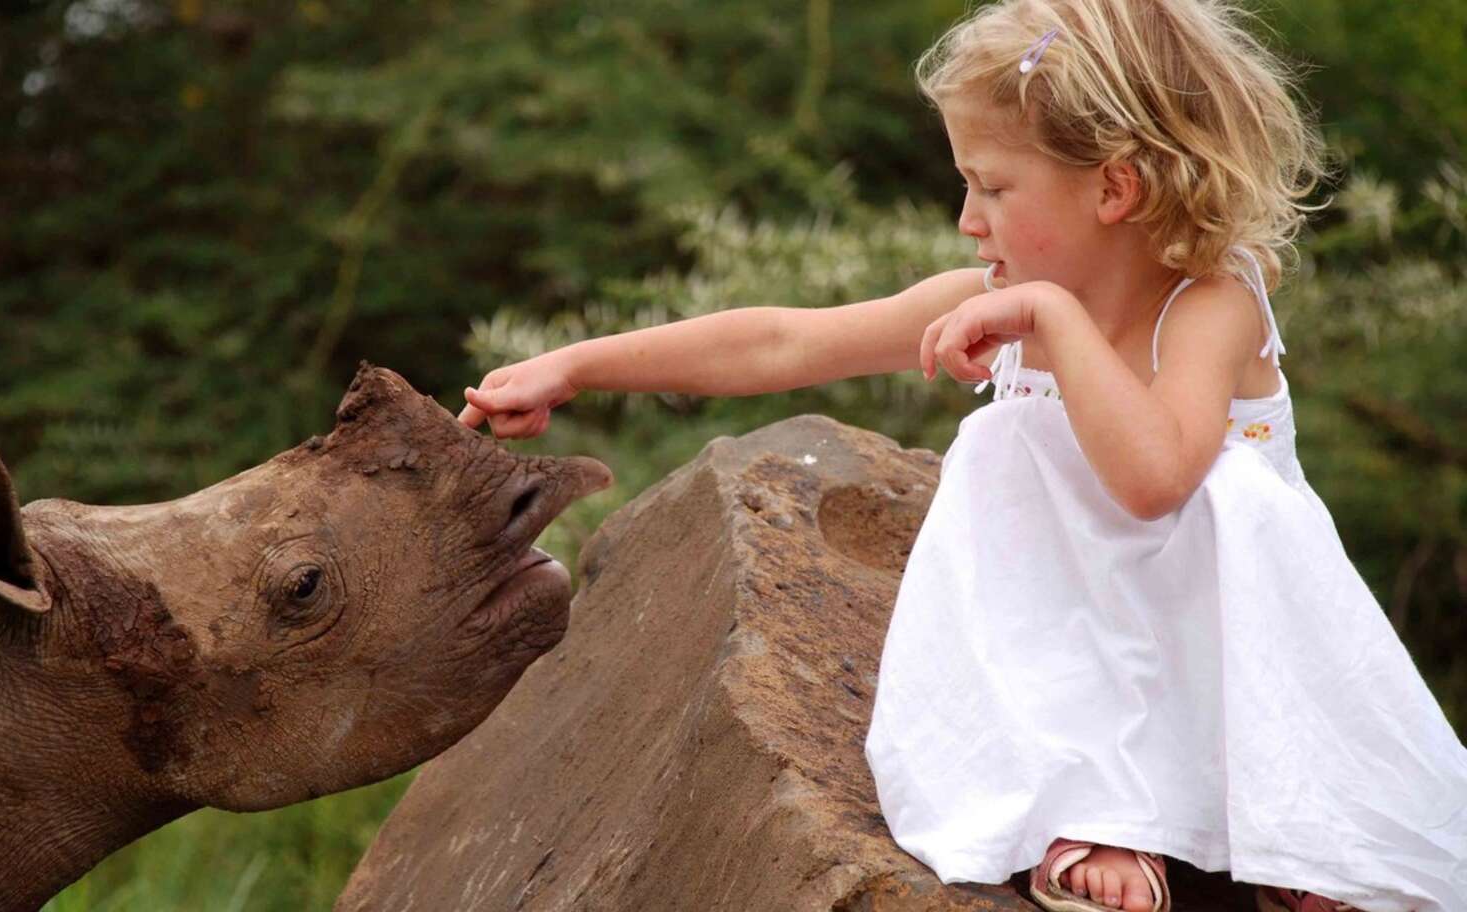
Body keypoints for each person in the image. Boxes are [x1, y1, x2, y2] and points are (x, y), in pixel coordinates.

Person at [455, 1, 1467, 909]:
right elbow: (786, 340)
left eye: (991, 186)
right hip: (1083, 656)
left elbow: (1156, 481)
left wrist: (1056, 321)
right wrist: (577, 366)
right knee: (1004, 447)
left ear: (1113, 187)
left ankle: (1297, 832)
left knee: (1218, 492)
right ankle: (1087, 804)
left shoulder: (1213, 304)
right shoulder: (996, 299)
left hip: (1227, 652)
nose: (967, 220)